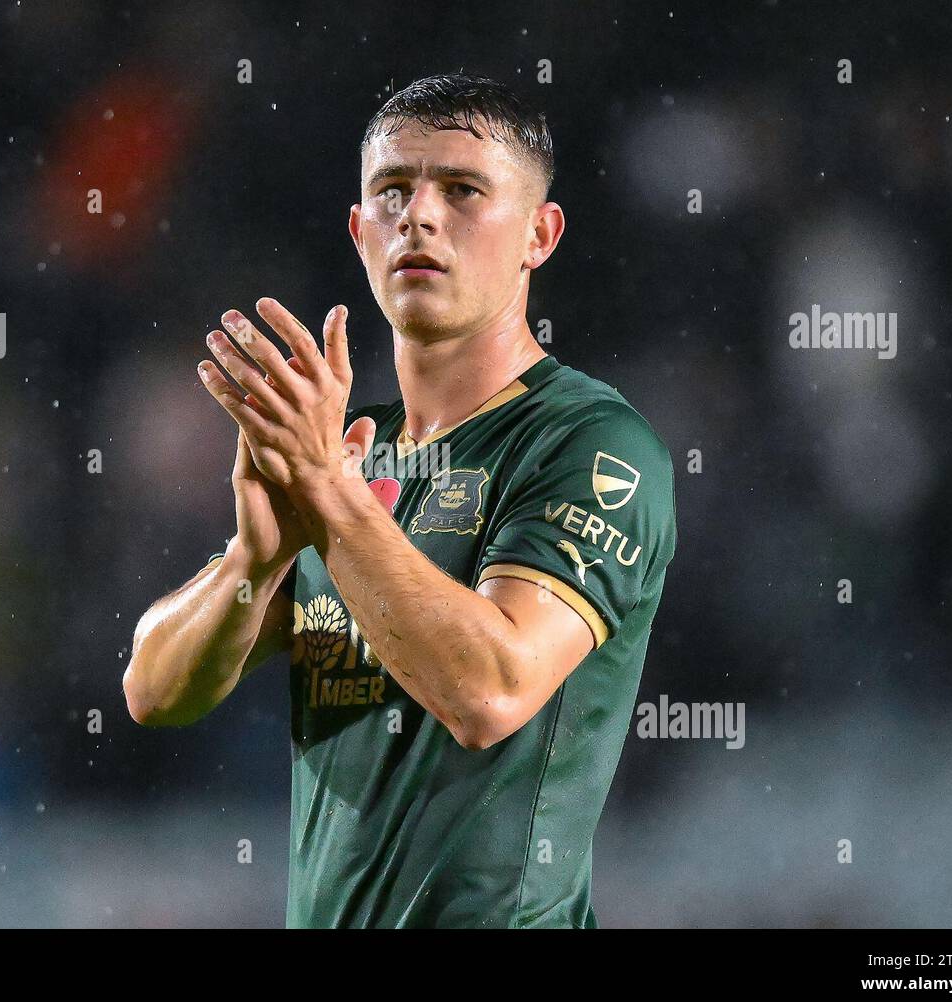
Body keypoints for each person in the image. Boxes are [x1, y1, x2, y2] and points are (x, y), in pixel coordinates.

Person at [123, 73, 677, 928]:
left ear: (540, 232)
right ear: (358, 231)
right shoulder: (346, 450)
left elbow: (490, 692)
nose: (418, 216)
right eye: (392, 191)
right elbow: (155, 692)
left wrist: (328, 499)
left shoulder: (592, 444)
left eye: (462, 190)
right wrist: (255, 559)